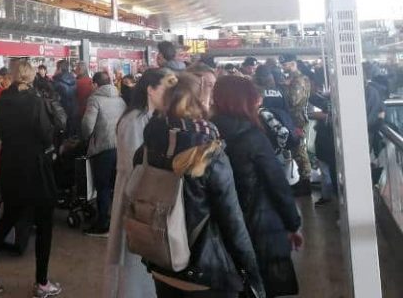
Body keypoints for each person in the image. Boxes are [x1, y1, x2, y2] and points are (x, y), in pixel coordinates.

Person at [141, 74, 265, 298]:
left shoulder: (149, 145)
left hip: (162, 262)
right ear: (199, 102)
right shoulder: (208, 152)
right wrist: (253, 275)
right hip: (204, 271)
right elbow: (232, 221)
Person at [0, 60, 62, 297]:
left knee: (8, 217)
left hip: (11, 164)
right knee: (44, 223)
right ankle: (42, 283)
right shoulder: (36, 101)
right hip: (35, 166)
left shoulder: (2, 101)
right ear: (31, 77)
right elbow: (45, 134)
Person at [211, 76, 303, 297]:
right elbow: (277, 186)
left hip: (220, 229)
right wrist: (293, 224)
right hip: (259, 226)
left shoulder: (208, 133)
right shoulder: (252, 137)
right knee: (263, 286)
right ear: (244, 101)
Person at [104, 69, 176, 298]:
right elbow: (133, 167)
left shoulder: (151, 118)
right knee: (131, 257)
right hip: (133, 199)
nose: (170, 94)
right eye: (166, 88)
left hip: (143, 198)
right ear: (150, 89)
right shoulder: (134, 121)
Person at [81, 72, 126, 237]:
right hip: (120, 148)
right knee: (115, 186)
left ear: (95, 84)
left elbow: (87, 125)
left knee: (103, 188)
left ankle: (102, 225)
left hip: (102, 148)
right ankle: (116, 223)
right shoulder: (120, 99)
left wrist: (85, 139)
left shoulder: (95, 99)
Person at [280, 54, 312, 195]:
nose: (283, 67)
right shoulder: (294, 79)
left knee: (300, 151)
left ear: (293, 64)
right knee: (295, 150)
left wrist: (285, 87)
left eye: (285, 64)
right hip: (293, 119)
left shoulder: (298, 81)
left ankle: (306, 184)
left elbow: (293, 100)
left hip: (298, 120)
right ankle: (302, 181)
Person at [54, 60, 79, 136]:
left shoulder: (57, 81)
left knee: (62, 135)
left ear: (59, 69)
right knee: (71, 134)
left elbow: (53, 98)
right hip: (73, 109)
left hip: (61, 112)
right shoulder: (74, 79)